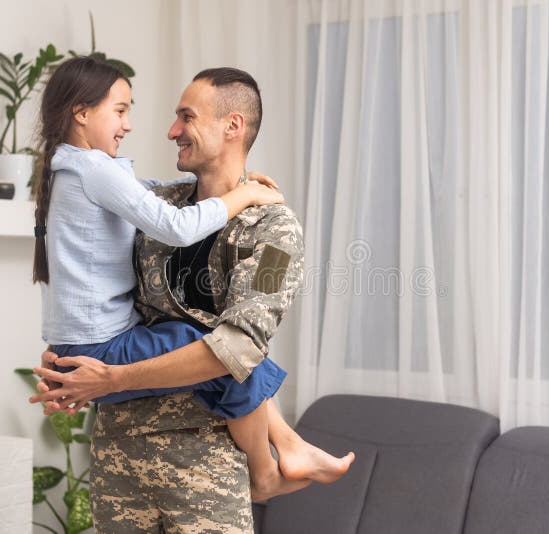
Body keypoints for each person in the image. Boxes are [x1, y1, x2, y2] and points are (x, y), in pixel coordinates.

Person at [32, 64, 354, 532]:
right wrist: (67, 366)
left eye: (186, 117)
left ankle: (277, 457)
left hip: (207, 468)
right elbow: (84, 259)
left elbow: (238, 349)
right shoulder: (155, 205)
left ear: (232, 126)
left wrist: (112, 378)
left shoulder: (277, 233)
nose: (171, 131)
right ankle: (287, 444)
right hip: (119, 457)